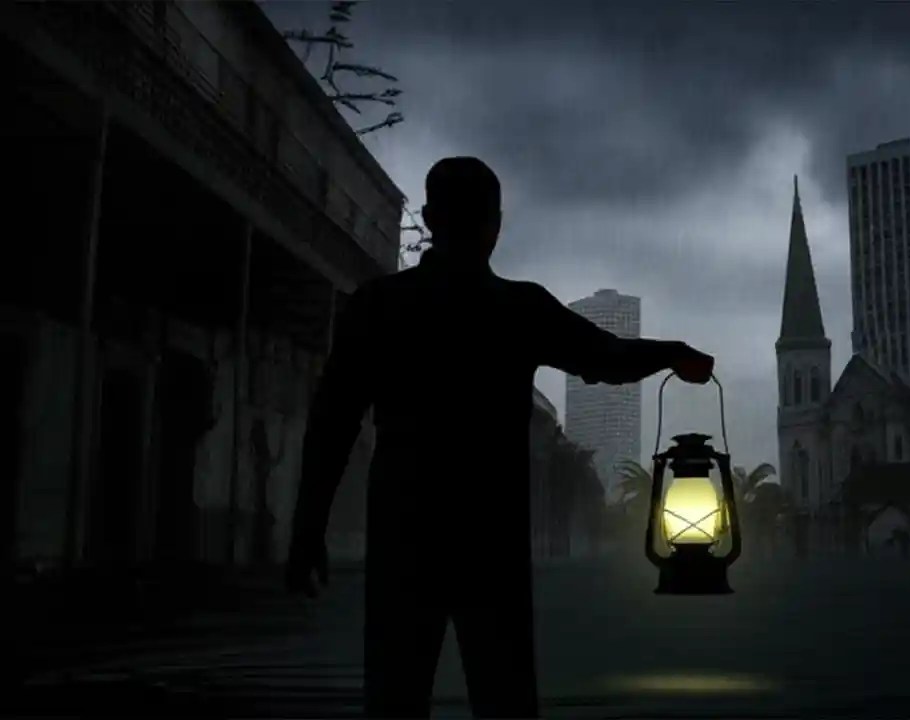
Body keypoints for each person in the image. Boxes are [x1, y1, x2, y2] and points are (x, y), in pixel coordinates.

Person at [285, 157, 715, 718]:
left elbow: (332, 424)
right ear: (497, 223)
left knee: (395, 693)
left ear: (431, 217)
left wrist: (306, 529)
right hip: (491, 537)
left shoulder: (379, 305)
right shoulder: (517, 308)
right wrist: (672, 353)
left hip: (404, 529)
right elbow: (606, 357)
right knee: (504, 694)